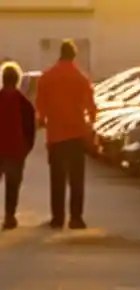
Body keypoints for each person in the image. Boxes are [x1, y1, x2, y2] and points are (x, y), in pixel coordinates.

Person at [36, 40, 96, 230]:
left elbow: (40, 107)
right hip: (77, 134)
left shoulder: (47, 77)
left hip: (55, 136)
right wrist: (90, 124)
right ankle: (76, 218)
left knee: (57, 178)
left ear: (60, 54)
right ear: (74, 56)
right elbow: (91, 107)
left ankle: (57, 218)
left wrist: (43, 121)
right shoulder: (81, 78)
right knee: (77, 179)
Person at [0, 61, 36, 230]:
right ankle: (9, 216)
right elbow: (30, 131)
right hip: (15, 151)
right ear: (18, 80)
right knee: (12, 185)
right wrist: (25, 149)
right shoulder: (25, 104)